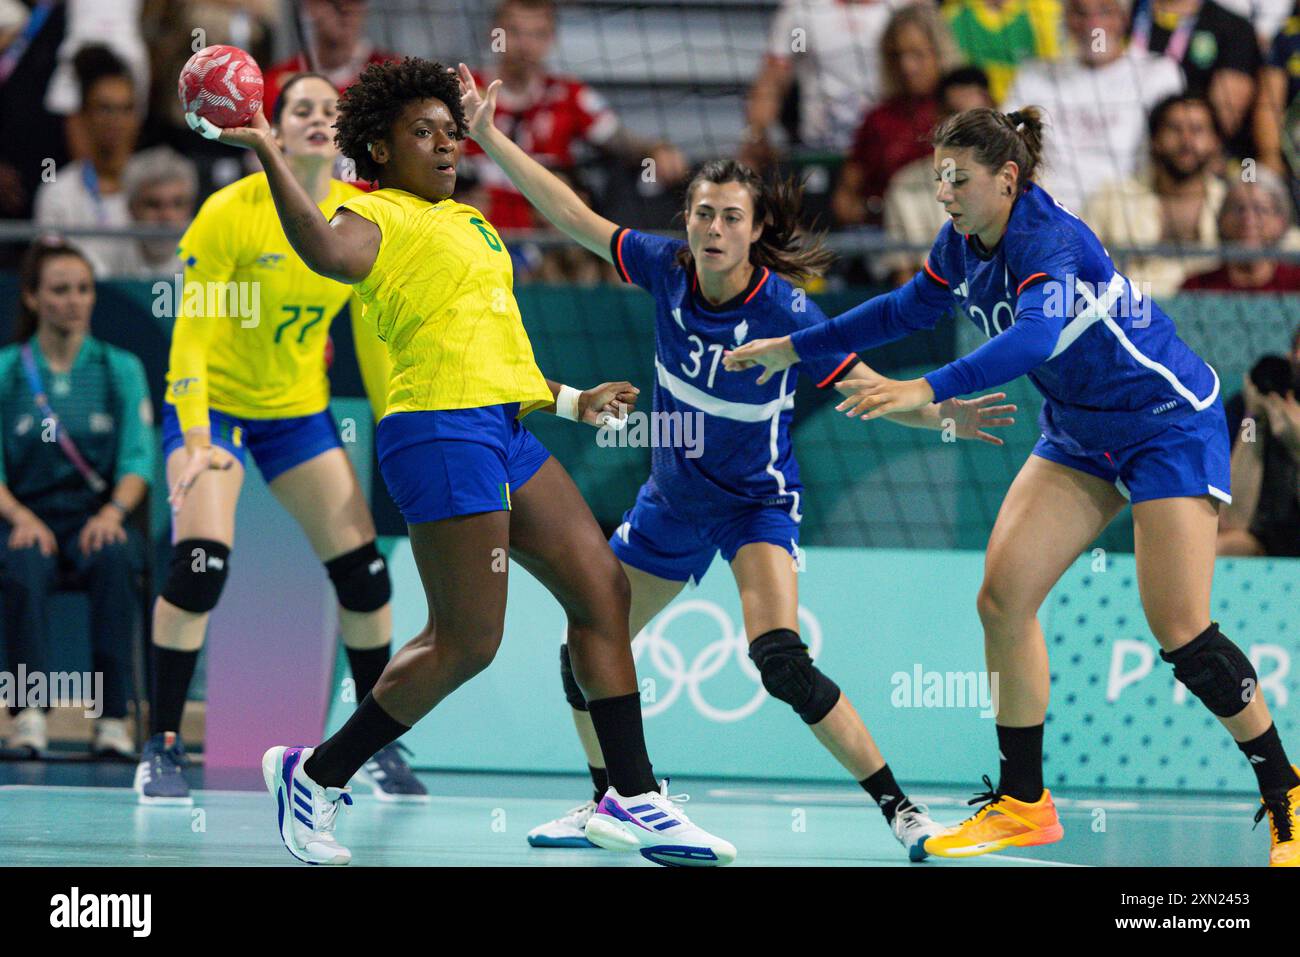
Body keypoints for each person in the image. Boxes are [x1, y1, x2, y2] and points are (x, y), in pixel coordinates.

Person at [185, 56, 737, 867]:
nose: (446, 145)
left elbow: (494, 344)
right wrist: (266, 145)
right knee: (467, 641)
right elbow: (326, 253)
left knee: (603, 589)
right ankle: (316, 774)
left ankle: (633, 796)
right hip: (439, 433)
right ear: (379, 149)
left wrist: (572, 401)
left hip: (503, 427)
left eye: (451, 133)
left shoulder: (473, 223)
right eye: (424, 133)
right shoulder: (374, 213)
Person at [460, 70, 1023, 860]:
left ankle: (901, 810)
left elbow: (862, 387)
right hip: (671, 500)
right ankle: (611, 802)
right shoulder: (664, 269)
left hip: (755, 503)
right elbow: (576, 216)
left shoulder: (785, 312)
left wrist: (943, 415)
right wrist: (489, 137)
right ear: (686, 221)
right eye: (703, 213)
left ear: (755, 230)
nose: (714, 228)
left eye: (731, 216)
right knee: (584, 644)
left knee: (781, 661)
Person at [725, 106, 1300, 867]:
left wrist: (923, 389)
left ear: (1007, 178)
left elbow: (1032, 339)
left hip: (1165, 423)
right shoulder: (961, 242)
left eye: (958, 178)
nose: (944, 192)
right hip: (1080, 430)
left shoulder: (1050, 240)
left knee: (1182, 630)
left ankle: (1286, 792)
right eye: (939, 177)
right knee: (1002, 599)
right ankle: (1025, 802)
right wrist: (798, 346)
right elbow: (904, 308)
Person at [136, 73, 409, 807]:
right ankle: (161, 744)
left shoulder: (360, 217)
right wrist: (196, 440)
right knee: (200, 566)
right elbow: (191, 336)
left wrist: (398, 423)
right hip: (216, 408)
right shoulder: (229, 213)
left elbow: (375, 340)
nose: (319, 118)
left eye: (330, 110)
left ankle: (374, 745)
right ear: (275, 127)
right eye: (302, 108)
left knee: (366, 575)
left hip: (296, 412)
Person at [0, 238, 153, 759]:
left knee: (114, 558)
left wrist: (112, 513)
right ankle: (28, 718)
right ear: (32, 297)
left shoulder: (119, 368)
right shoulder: (8, 371)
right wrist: (20, 517)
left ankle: (112, 721)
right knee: (23, 564)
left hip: (96, 518)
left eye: (83, 289)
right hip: (24, 518)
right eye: (60, 290)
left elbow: (138, 460)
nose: (74, 301)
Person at [460, 0, 687, 231]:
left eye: (538, 34)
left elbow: (621, 142)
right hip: (476, 231)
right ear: (493, 33)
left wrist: (657, 149)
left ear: (551, 38)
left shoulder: (570, 95)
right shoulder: (464, 91)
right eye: (514, 32)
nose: (525, 45)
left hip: (549, 236)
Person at [1004, 0, 1184, 215]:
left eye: (1104, 11)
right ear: (1066, 19)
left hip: (1129, 213)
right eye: (1080, 12)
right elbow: (1001, 145)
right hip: (1048, 214)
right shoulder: (1033, 76)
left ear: (1124, 18)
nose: (1093, 24)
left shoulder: (1158, 74)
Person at [832, 3, 960, 227]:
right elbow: (844, 201)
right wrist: (880, 211)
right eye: (896, 56)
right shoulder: (878, 121)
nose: (907, 66)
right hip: (891, 239)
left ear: (940, 53)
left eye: (917, 54)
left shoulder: (961, 114)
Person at [1085, 93, 1225, 297]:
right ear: (1154, 139)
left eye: (1197, 130)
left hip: (1210, 310)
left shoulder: (1231, 202)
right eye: (1175, 129)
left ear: (1215, 142)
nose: (1186, 140)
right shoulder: (1111, 198)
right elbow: (1076, 260)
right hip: (1125, 310)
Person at [741, 0, 905, 167]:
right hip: (820, 153)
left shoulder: (900, 8)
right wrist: (756, 133)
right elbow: (774, 80)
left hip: (887, 151)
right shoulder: (802, 12)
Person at [33, 45, 144, 277]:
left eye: (126, 109)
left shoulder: (154, 188)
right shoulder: (57, 193)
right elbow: (52, 272)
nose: (116, 120)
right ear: (83, 115)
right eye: (105, 109)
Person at [881, 66, 996, 284]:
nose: (967, 130)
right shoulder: (906, 186)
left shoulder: (1022, 182)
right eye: (956, 116)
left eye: (976, 119)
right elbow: (903, 276)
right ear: (940, 119)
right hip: (938, 298)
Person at [1128, 0, 1262, 157]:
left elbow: (1224, 121)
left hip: (1186, 154)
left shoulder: (1233, 27)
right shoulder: (1119, 15)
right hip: (1120, 137)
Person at [1217, 335, 1300, 557]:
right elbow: (1231, 515)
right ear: (1290, 357)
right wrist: (1254, 418)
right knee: (1218, 547)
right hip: (1260, 533)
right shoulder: (1247, 410)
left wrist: (1289, 425)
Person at [1181, 169, 1300, 291]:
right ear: (1222, 219)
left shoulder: (1295, 285)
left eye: (1260, 210)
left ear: (1281, 221)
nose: (1249, 220)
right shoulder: (1196, 288)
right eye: (1238, 209)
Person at [101, 145, 198, 279]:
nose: (166, 216)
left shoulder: (212, 258)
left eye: (177, 204)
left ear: (190, 207)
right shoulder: (105, 258)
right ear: (131, 208)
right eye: (154, 204)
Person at [942, 0, 1063, 103]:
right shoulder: (955, 13)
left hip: (1032, 106)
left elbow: (1053, 70)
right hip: (980, 114)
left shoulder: (1043, 8)